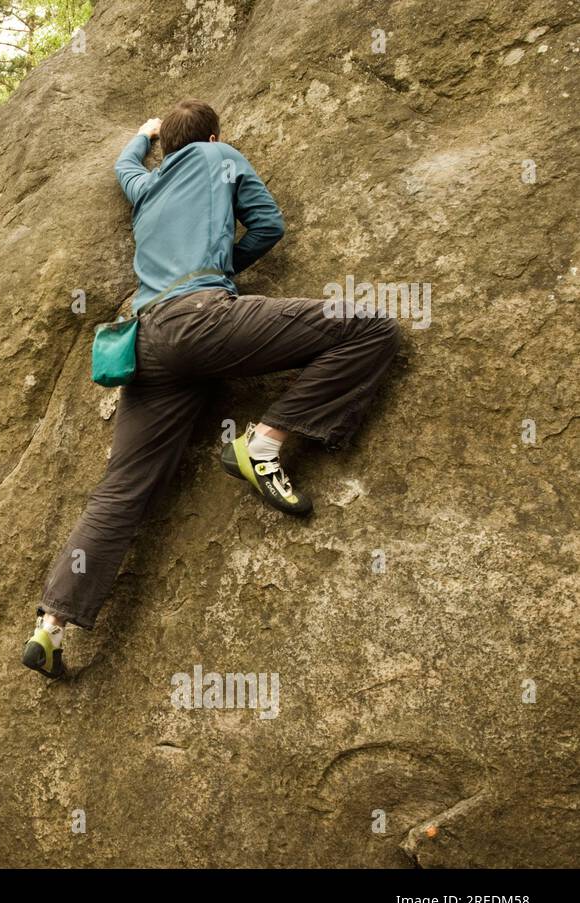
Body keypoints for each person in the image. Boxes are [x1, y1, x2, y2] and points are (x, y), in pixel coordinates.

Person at [23, 99, 400, 679]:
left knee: (122, 491)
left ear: (163, 148)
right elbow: (268, 225)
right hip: (202, 319)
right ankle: (264, 444)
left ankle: (51, 625)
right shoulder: (218, 153)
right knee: (370, 328)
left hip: (145, 349)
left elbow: (123, 167)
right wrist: (225, 265)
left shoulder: (144, 186)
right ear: (214, 136)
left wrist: (142, 134)